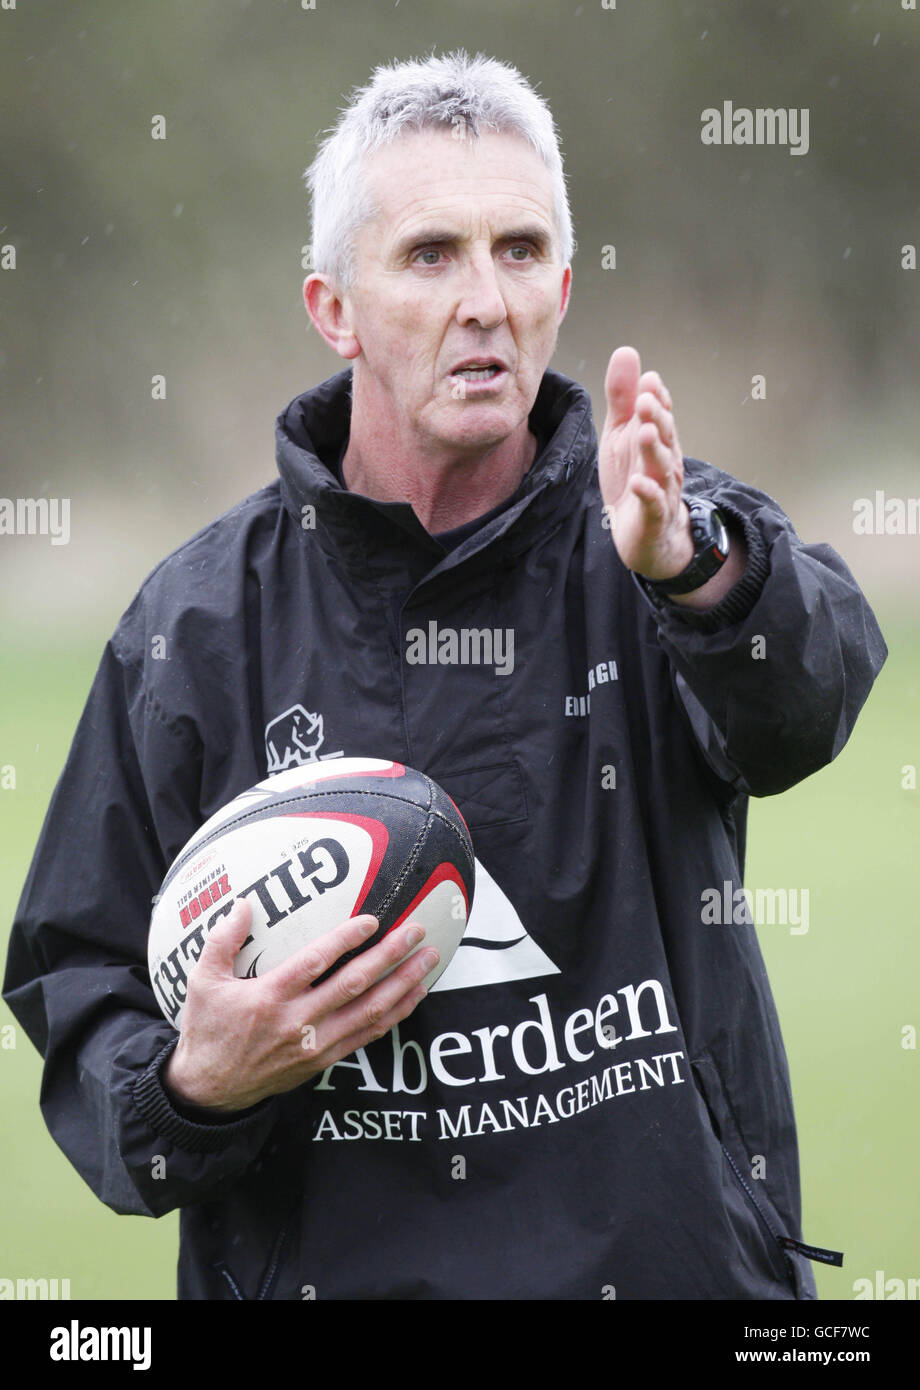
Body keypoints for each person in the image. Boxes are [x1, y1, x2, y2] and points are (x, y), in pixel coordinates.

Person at [4, 51, 886, 1300]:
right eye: (430, 255)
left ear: (563, 287)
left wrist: (688, 570)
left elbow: (809, 701)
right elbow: (76, 984)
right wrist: (193, 1082)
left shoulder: (659, 533)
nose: (486, 299)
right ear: (332, 307)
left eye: (520, 251)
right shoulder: (194, 627)